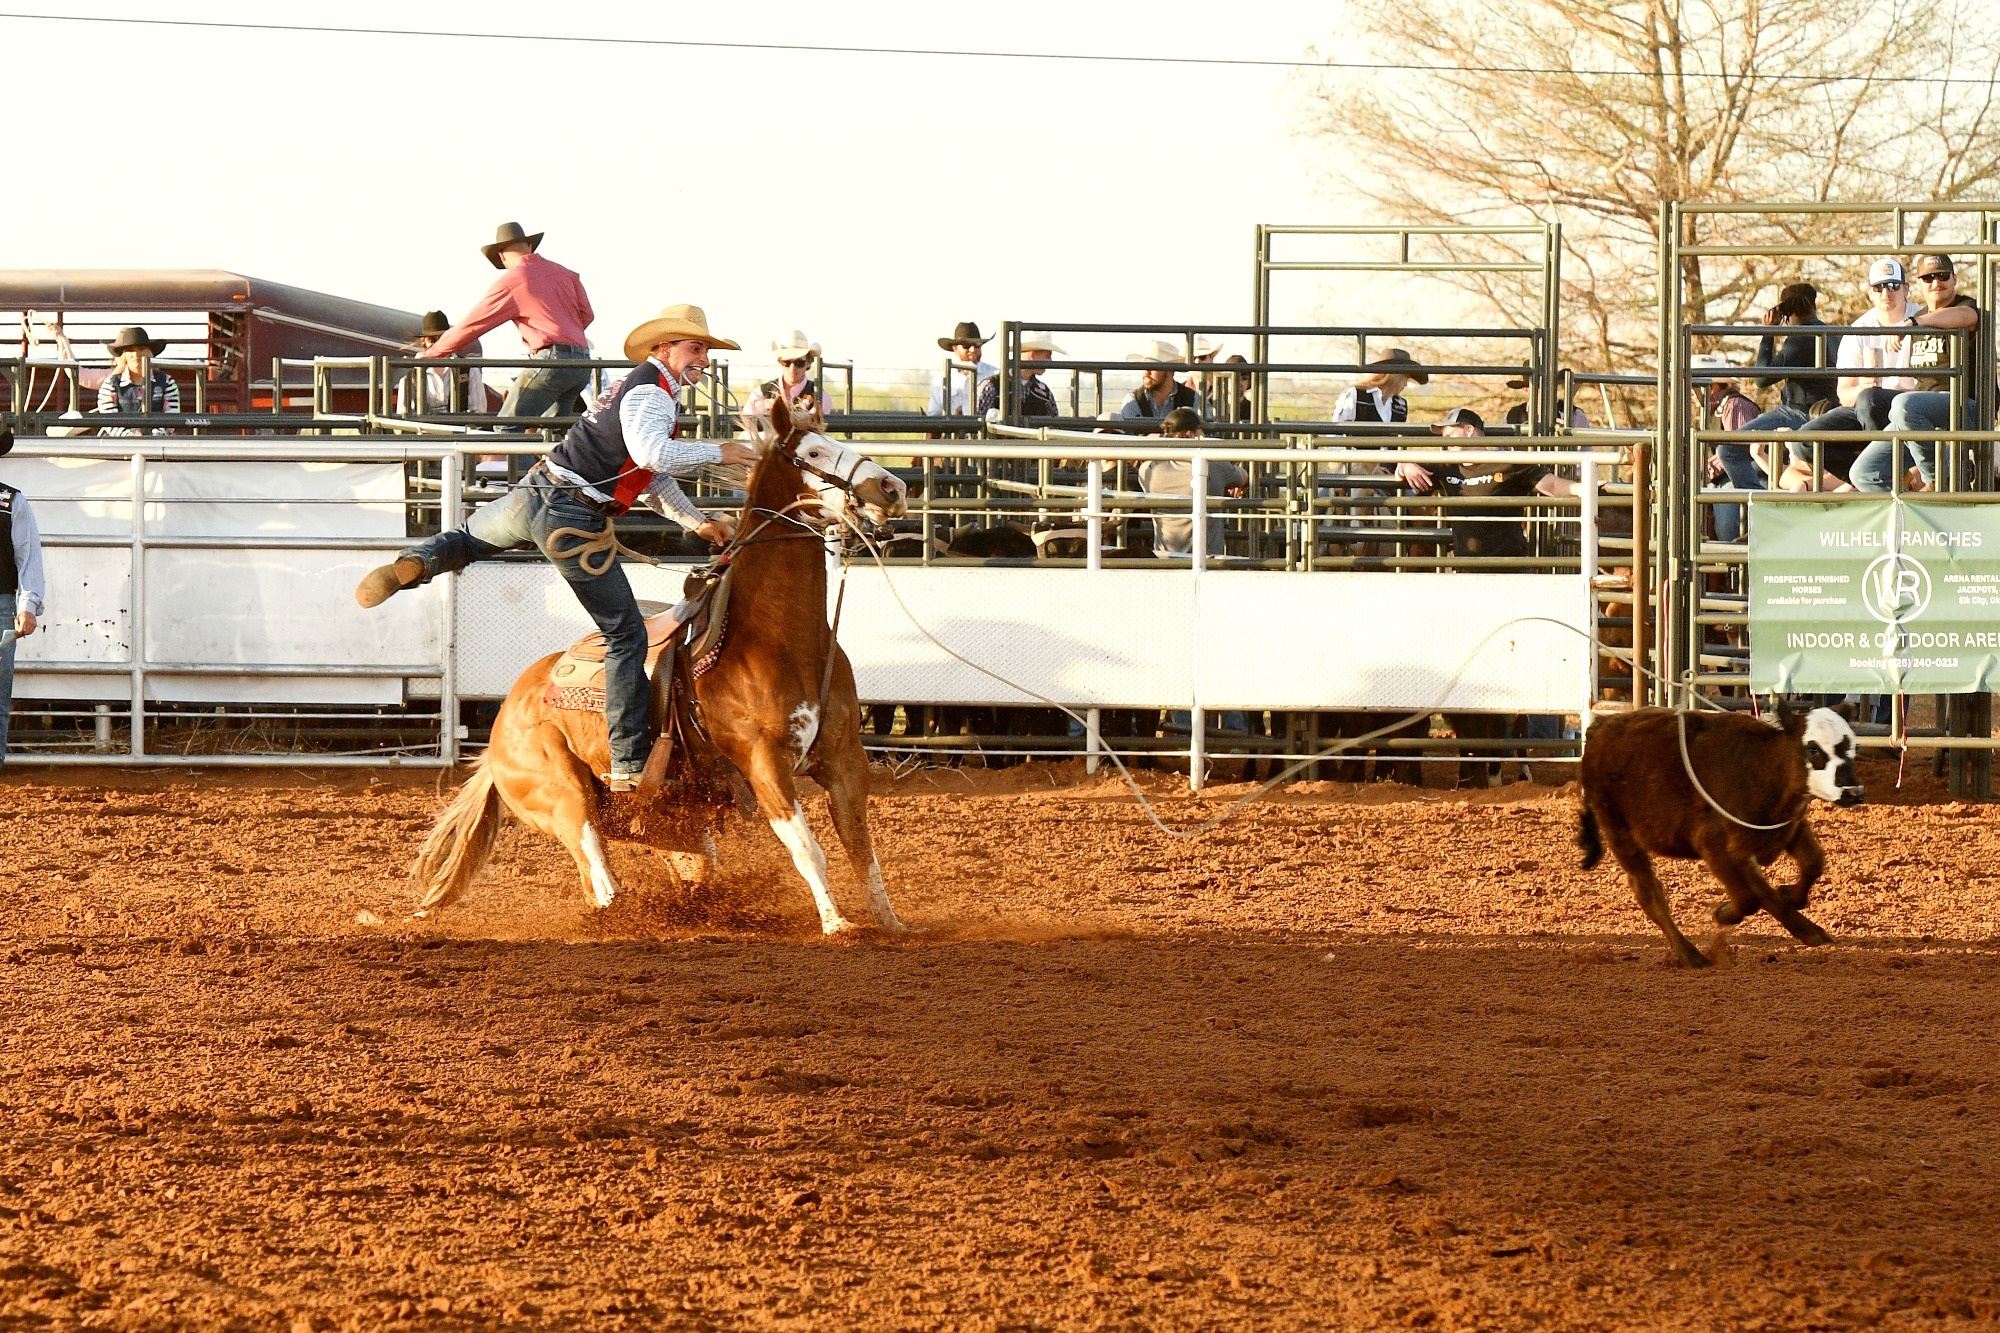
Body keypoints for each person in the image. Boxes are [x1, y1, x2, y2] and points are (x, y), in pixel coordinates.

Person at [355, 304, 758, 791]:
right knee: (626, 635)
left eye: (705, 352)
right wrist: (722, 451)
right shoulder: (653, 394)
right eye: (696, 349)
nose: (703, 360)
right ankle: (630, 762)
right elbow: (654, 456)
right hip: (574, 517)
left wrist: (695, 521)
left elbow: (647, 476)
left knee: (466, 539)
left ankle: (416, 562)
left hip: (537, 491)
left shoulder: (636, 390)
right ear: (663, 349)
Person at [421, 222, 596, 427]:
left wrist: (433, 352)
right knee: (555, 433)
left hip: (552, 362)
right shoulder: (567, 274)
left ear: (502, 256)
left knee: (507, 426)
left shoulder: (512, 281)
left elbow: (472, 326)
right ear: (530, 246)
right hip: (582, 363)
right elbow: (587, 315)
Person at [1787, 259, 1919, 493]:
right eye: (1879, 287)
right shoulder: (1857, 330)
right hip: (1865, 410)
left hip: (1910, 407)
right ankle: (1878, 478)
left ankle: (1880, 475)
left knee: (1871, 400)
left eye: (1893, 285)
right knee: (1804, 441)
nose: (1886, 292)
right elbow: (1844, 393)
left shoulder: (1921, 319)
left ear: (1906, 289)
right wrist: (1864, 387)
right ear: (1870, 293)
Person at [1859, 253, 1981, 490]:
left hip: (1964, 406)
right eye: (1928, 278)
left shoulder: (1963, 306)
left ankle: (1939, 480)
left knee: (1903, 406)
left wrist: (1913, 324)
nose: (1936, 283)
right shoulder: (1918, 318)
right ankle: (1914, 515)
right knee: (1865, 472)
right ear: (1919, 284)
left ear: (1954, 279)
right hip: (1921, 413)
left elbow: (1967, 317)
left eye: (1943, 276)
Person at [1136, 408, 1246, 557]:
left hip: (1165, 559)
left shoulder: (1148, 469)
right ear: (1191, 433)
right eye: (1201, 431)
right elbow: (1242, 476)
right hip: (1209, 560)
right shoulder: (1213, 465)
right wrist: (1237, 484)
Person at [0, 426, 45, 770]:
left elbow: (28, 559)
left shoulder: (12, 501)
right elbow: (28, 559)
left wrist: (26, 605)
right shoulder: (11, 501)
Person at [1692, 353, 1762, 541]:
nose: (1691, 391)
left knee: (1726, 520)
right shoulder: (1715, 409)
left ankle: (1731, 555)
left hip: (1741, 473)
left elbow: (1739, 449)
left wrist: (1705, 469)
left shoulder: (1734, 405)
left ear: (1712, 385)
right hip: (1724, 474)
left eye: (1694, 385)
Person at [396, 310, 488, 417]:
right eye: (432, 340)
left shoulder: (469, 370)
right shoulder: (412, 373)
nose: (438, 345)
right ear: (424, 342)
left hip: (459, 431)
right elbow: (404, 414)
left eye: (442, 339)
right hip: (425, 431)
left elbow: (479, 410)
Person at [94, 327, 179, 436]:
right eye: (130, 350)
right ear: (124, 355)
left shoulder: (167, 382)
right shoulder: (110, 384)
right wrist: (131, 438)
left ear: (149, 352)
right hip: (119, 445)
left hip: (158, 444)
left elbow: (171, 417)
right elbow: (109, 420)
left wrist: (152, 438)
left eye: (141, 348)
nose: (136, 354)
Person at [747, 330, 833, 420]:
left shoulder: (821, 397)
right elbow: (749, 430)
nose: (792, 368)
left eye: (799, 363)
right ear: (780, 362)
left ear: (808, 363)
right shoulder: (760, 394)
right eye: (786, 362)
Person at [975, 332, 1062, 418]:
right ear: (1032, 355)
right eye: (1047, 356)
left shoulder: (992, 385)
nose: (1050, 361)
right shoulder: (992, 386)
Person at [1332, 349, 1426, 424]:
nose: (1406, 384)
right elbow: (1336, 434)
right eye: (1406, 378)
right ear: (1396, 376)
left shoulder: (1401, 405)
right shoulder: (1355, 395)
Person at [924, 321, 995, 416]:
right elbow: (934, 415)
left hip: (986, 430)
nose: (972, 350)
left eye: (977, 345)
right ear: (955, 348)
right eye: (966, 346)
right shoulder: (941, 378)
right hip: (951, 430)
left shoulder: (996, 375)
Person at [1121, 340, 1204, 420]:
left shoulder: (1194, 399)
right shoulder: (1133, 400)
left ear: (1169, 371)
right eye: (1143, 366)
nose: (1146, 372)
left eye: (1152, 367)